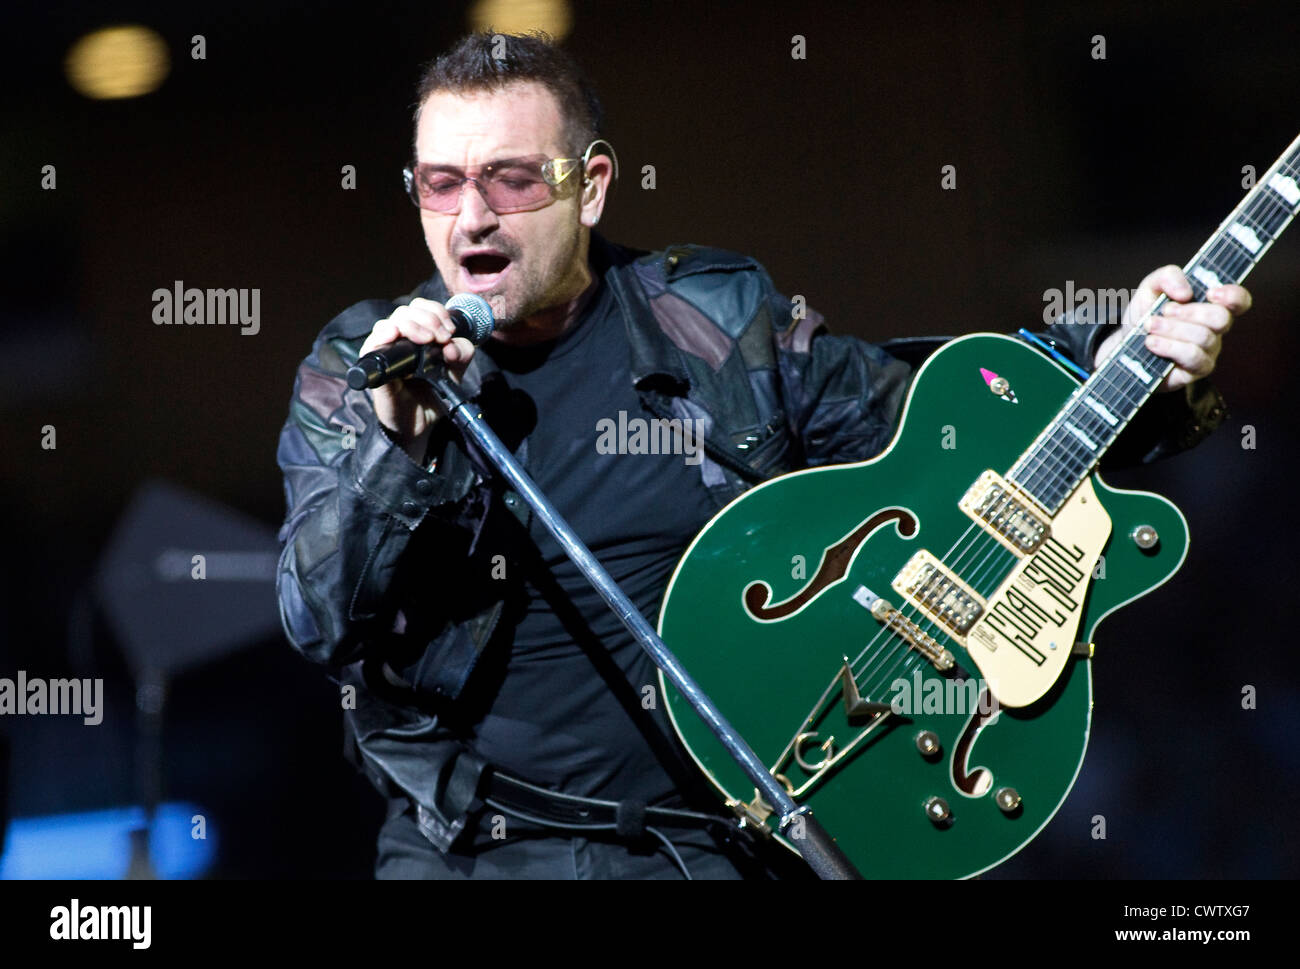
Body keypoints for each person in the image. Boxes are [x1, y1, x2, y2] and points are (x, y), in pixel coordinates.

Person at [274, 32, 1248, 879]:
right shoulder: (357, 370)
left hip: (720, 843)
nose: (470, 216)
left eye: (512, 180)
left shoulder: (720, 324)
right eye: (440, 184)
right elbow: (317, 620)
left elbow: (942, 440)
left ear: (594, 185)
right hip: (475, 854)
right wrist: (397, 444)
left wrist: (1124, 368)